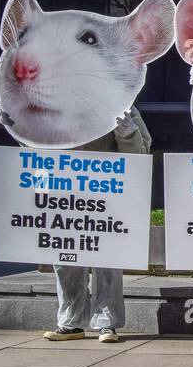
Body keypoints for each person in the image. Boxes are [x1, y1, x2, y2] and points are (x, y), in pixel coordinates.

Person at [40, 107, 151, 343]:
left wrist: (128, 133)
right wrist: (19, 129)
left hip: (105, 197)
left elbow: (141, 154)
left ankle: (107, 323)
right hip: (65, 193)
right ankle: (71, 323)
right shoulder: (55, 103)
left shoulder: (119, 101)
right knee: (66, 260)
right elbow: (36, 150)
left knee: (108, 262)